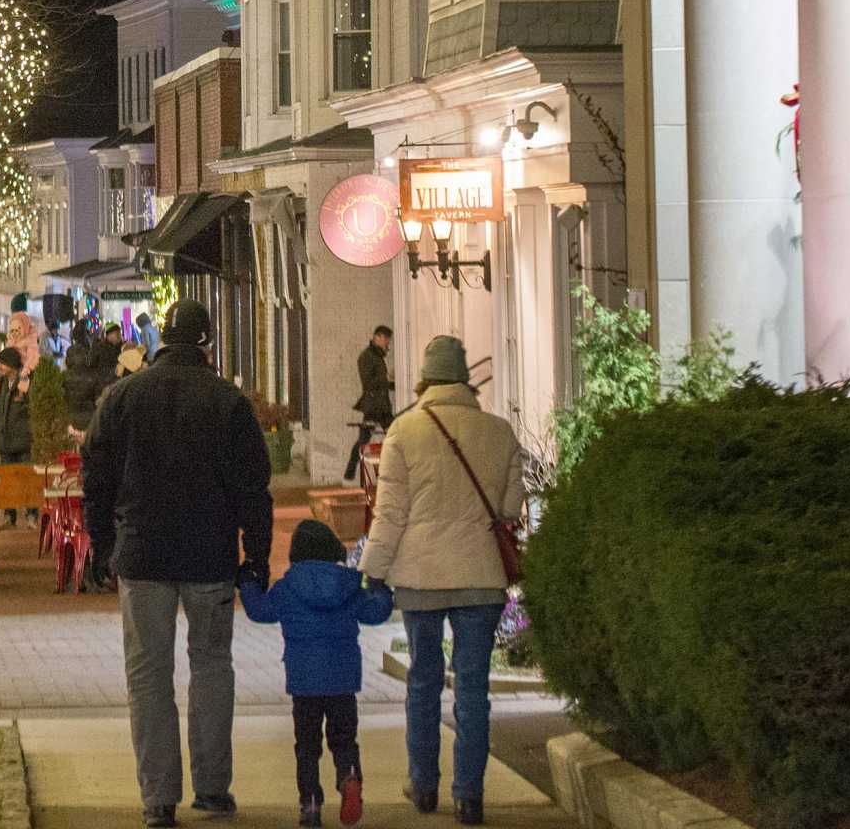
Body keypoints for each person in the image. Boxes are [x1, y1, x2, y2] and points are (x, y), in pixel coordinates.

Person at [82, 299, 273, 828]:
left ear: (163, 339)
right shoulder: (228, 402)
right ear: (207, 343)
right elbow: (254, 489)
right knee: (212, 667)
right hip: (210, 556)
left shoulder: (123, 397)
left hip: (142, 554)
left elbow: (94, 477)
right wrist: (255, 556)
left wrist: (102, 546)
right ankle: (212, 788)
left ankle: (158, 798)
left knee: (147, 676)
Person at [360, 336, 525, 826]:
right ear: (465, 379)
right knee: (473, 687)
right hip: (480, 577)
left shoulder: (404, 432)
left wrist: (372, 569)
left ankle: (424, 785)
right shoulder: (499, 433)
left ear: (424, 379)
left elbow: (389, 514)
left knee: (424, 681)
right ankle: (469, 796)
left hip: (421, 578)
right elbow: (510, 509)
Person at [242, 518, 394, 826]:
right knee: (344, 739)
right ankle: (349, 774)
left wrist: (247, 582)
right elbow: (376, 613)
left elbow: (260, 612)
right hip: (342, 680)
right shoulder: (349, 585)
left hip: (304, 683)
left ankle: (310, 804)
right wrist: (383, 590)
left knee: (307, 746)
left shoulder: (287, 587)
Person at [0, 345, 32, 524]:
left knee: (27, 478)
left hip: (23, 437)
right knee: (7, 480)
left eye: (3, 363)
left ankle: (31, 513)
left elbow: (31, 405)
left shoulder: (25, 381)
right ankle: (9, 515)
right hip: (5, 439)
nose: (0, 367)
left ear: (12, 364)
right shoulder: (0, 382)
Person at [345, 325, 396, 481]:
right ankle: (351, 471)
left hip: (381, 406)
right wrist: (387, 379)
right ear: (378, 337)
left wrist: (393, 384)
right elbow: (368, 383)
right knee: (365, 440)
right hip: (374, 407)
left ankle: (351, 472)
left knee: (390, 435)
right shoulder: (367, 357)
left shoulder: (377, 356)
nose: (388, 343)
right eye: (386, 340)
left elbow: (379, 383)